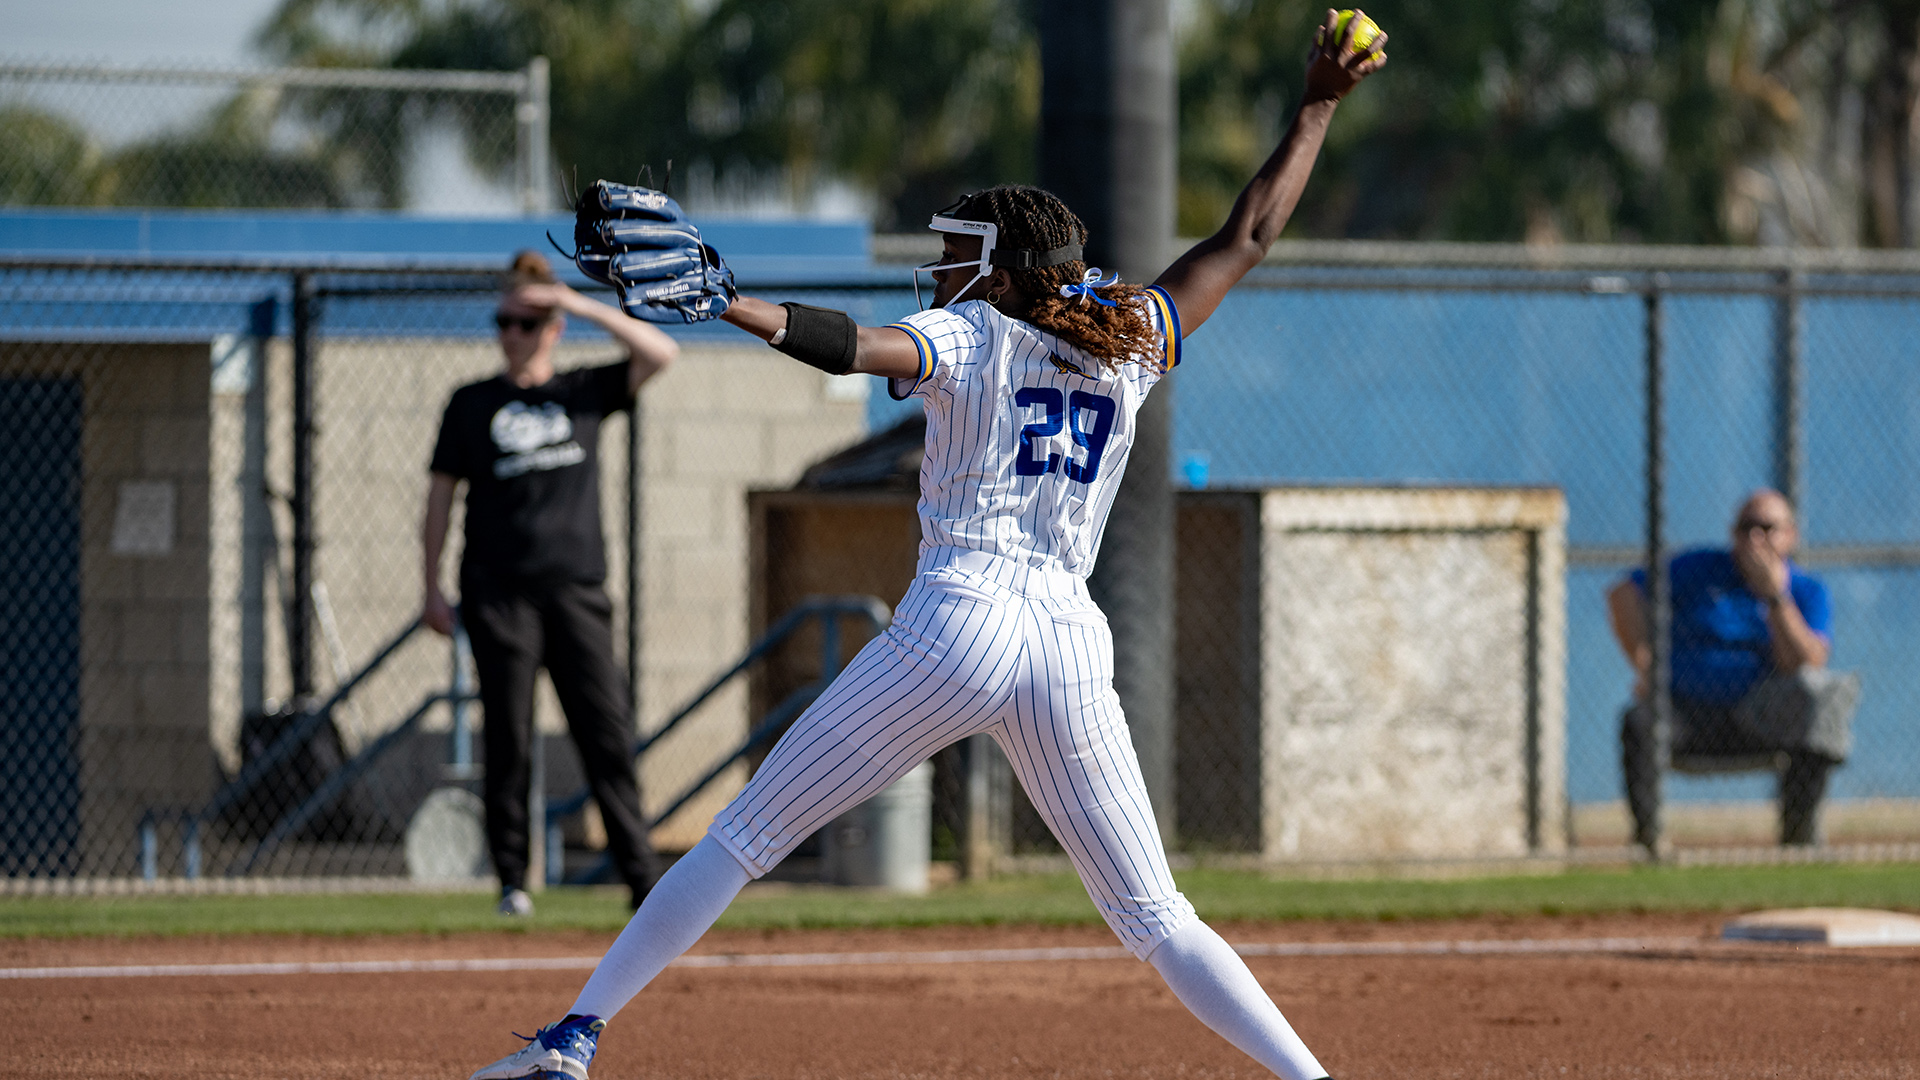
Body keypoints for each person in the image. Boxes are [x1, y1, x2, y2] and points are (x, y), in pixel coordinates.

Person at [469, 13, 1384, 1080]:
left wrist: (733, 304)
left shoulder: (977, 328)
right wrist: (1319, 100)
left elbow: (855, 348)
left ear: (1000, 267)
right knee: (1156, 915)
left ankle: (572, 1038)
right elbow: (1248, 236)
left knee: (744, 837)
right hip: (1070, 645)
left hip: (961, 619)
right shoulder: (1130, 336)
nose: (941, 268)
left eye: (958, 253)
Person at [423, 251, 679, 915]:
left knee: (606, 734)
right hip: (498, 593)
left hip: (576, 593)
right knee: (508, 739)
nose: (512, 335)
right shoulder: (471, 403)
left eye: (526, 322)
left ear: (552, 328)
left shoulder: (583, 392)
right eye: (503, 322)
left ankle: (641, 878)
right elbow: (439, 500)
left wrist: (577, 303)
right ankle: (512, 880)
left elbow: (662, 353)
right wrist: (429, 585)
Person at [1607, 489, 1859, 850]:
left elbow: (1807, 662)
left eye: (1768, 528)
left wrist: (1775, 597)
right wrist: (1644, 664)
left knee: (1822, 701)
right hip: (1687, 715)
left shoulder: (1806, 590)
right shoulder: (1699, 570)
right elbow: (1622, 595)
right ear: (1733, 535)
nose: (1756, 538)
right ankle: (1650, 844)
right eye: (1746, 528)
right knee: (1638, 720)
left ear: (1790, 535)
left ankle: (1798, 842)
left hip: (1759, 717)